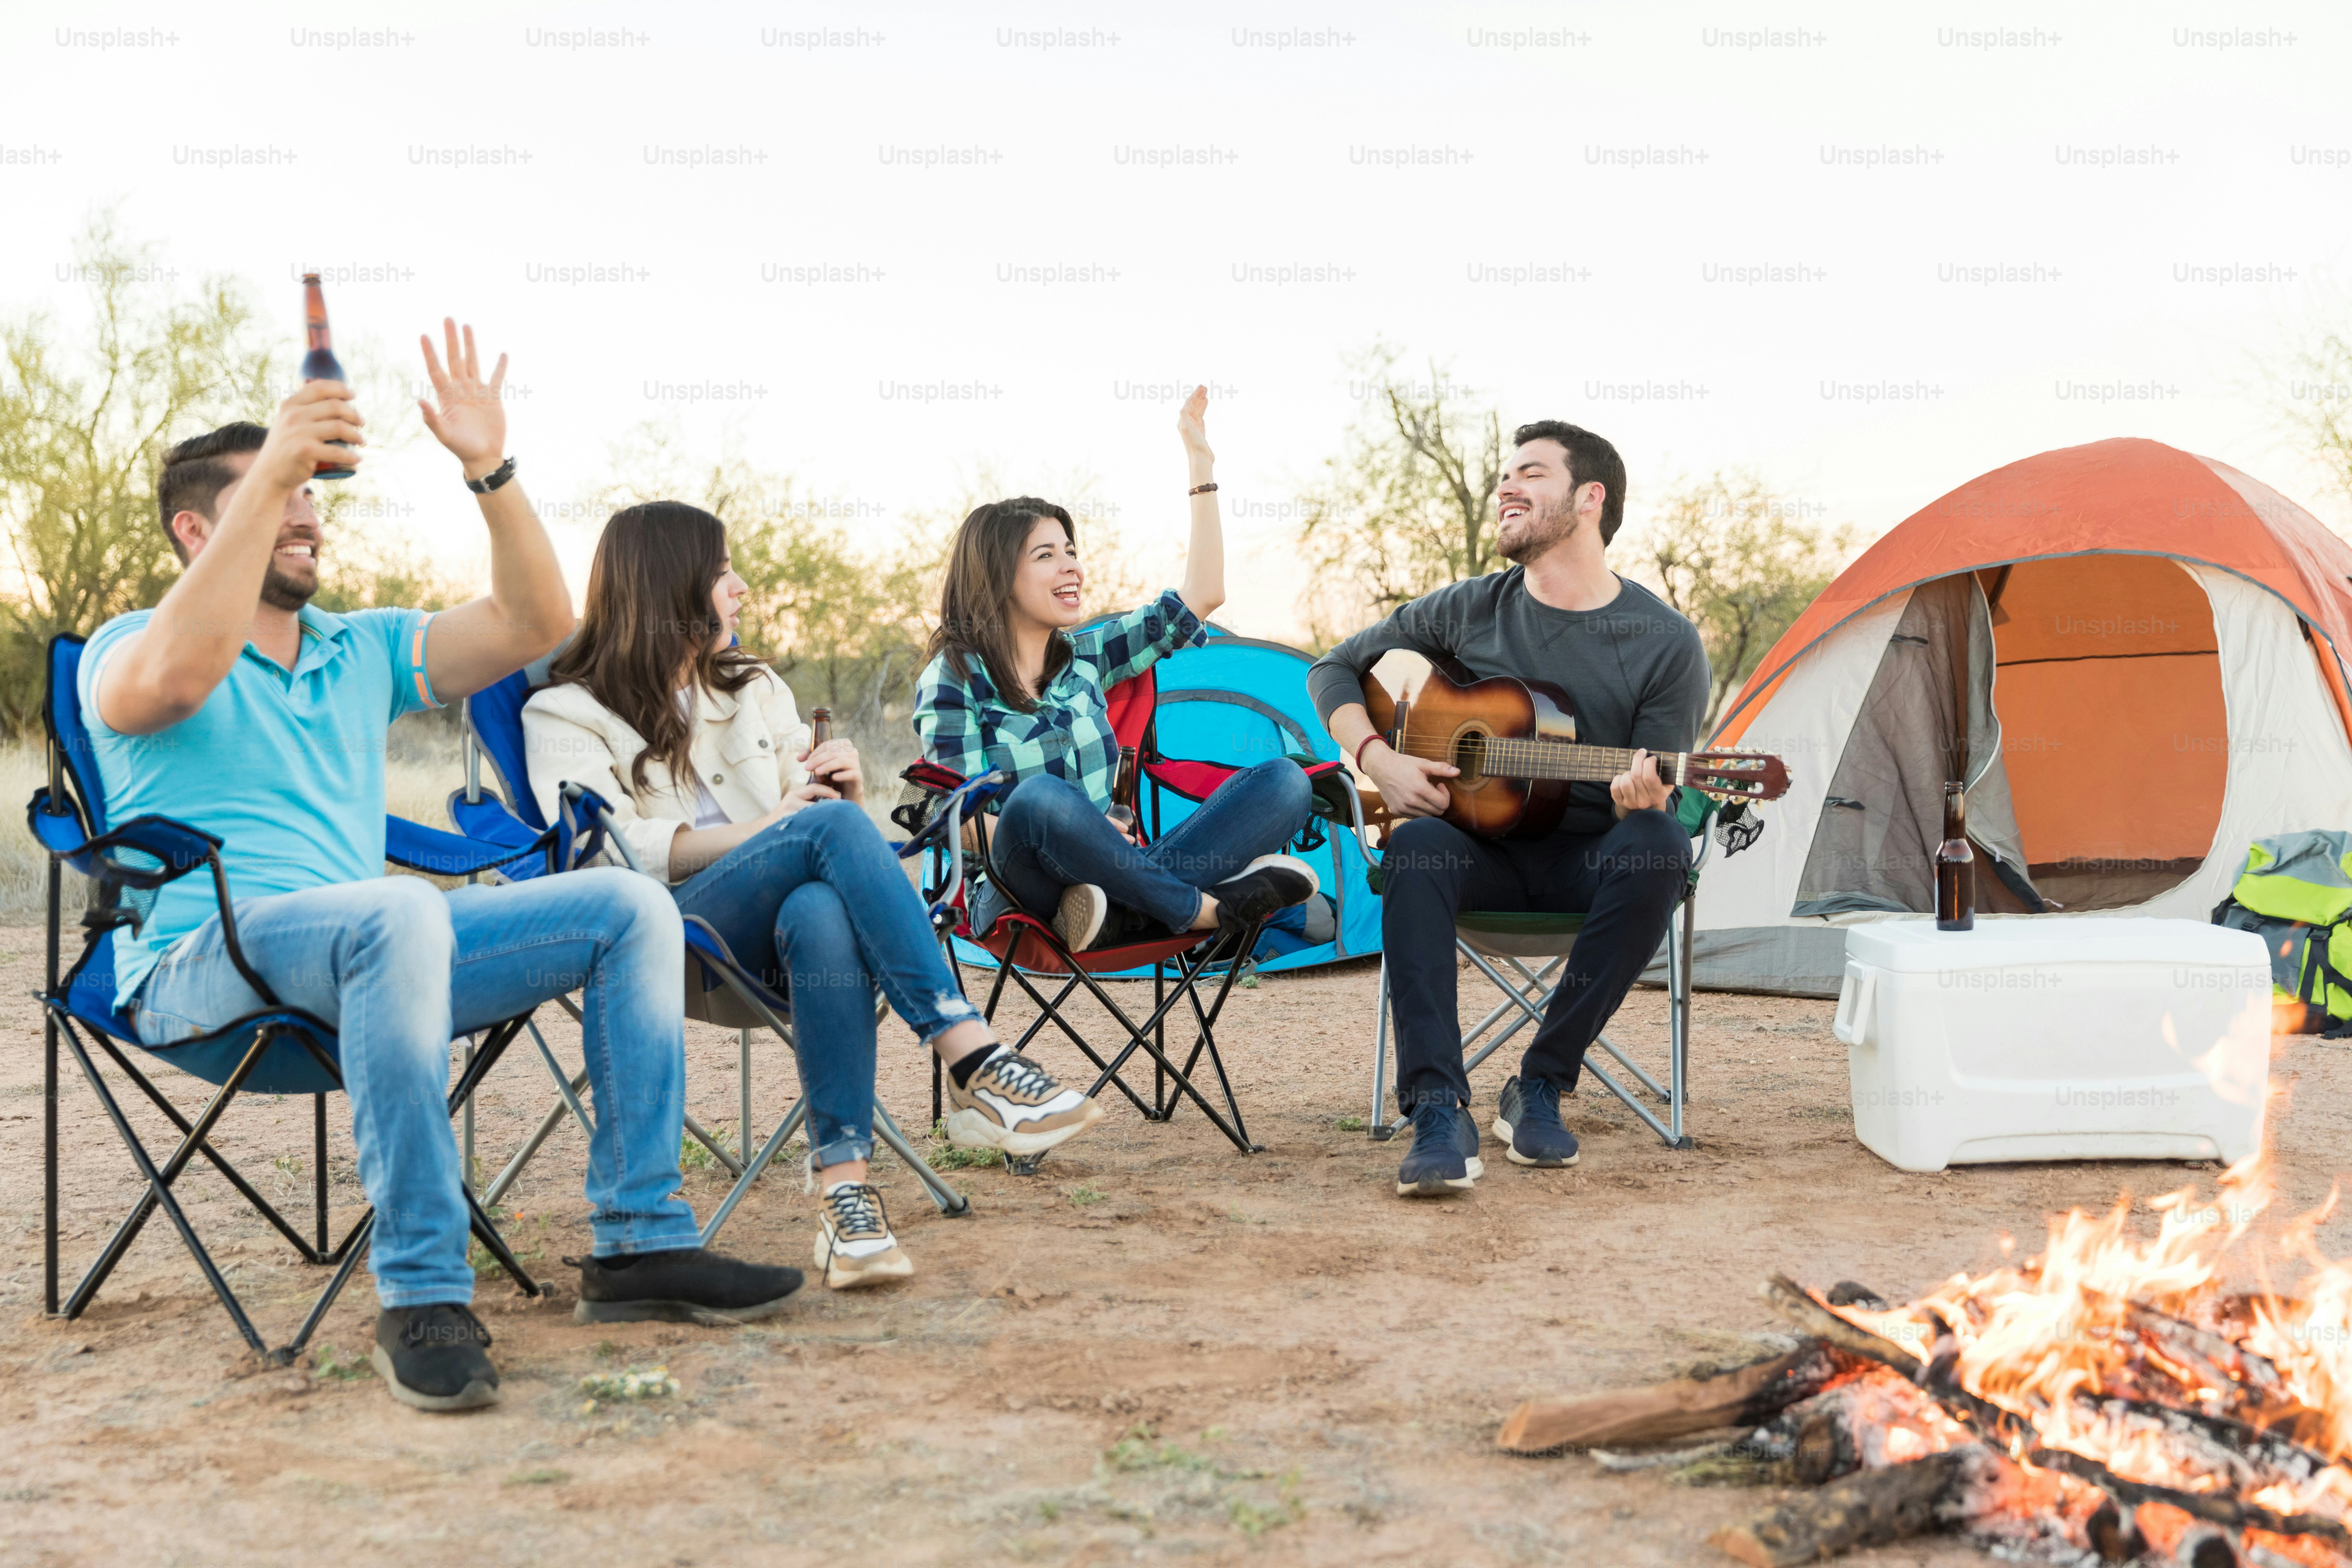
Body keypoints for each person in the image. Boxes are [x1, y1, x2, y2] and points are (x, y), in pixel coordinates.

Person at [84, 324, 801, 1414]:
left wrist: (489, 470)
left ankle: (639, 1245)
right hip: (204, 968)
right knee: (398, 912)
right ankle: (421, 1291)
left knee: (624, 905)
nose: (306, 513)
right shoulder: (127, 643)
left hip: (381, 960)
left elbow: (537, 624)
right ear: (197, 530)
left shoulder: (358, 646)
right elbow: (173, 686)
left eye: (312, 495)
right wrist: (281, 454)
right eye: (276, 494)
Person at [523, 502, 1104, 1289]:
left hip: (782, 944)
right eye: (723, 571)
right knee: (823, 832)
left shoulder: (753, 687)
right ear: (672, 586)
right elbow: (604, 857)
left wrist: (842, 794)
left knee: (821, 908)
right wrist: (775, 828)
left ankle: (846, 1202)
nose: (740, 588)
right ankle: (972, 1055)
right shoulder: (563, 711)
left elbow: (812, 812)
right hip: (665, 938)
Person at [1310, 421, 1711, 1197]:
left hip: (1585, 865)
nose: (1506, 487)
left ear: (1589, 499)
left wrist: (1646, 800)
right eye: (1505, 474)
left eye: (1530, 471)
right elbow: (1335, 667)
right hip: (1477, 859)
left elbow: (1658, 788)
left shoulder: (1666, 643)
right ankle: (1436, 1106)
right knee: (1418, 846)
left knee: (1661, 841)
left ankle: (1542, 1081)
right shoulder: (1468, 608)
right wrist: (1379, 759)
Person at [914, 387, 1318, 953]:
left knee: (1285, 781)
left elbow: (1203, 596)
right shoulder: (955, 677)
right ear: (997, 575)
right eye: (1046, 555)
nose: (1072, 566)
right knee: (1039, 801)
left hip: (1121, 876)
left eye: (1071, 550)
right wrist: (1078, 828)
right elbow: (956, 822)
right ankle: (1200, 910)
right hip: (1024, 891)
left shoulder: (1086, 656)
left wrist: (1200, 466)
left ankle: (1129, 911)